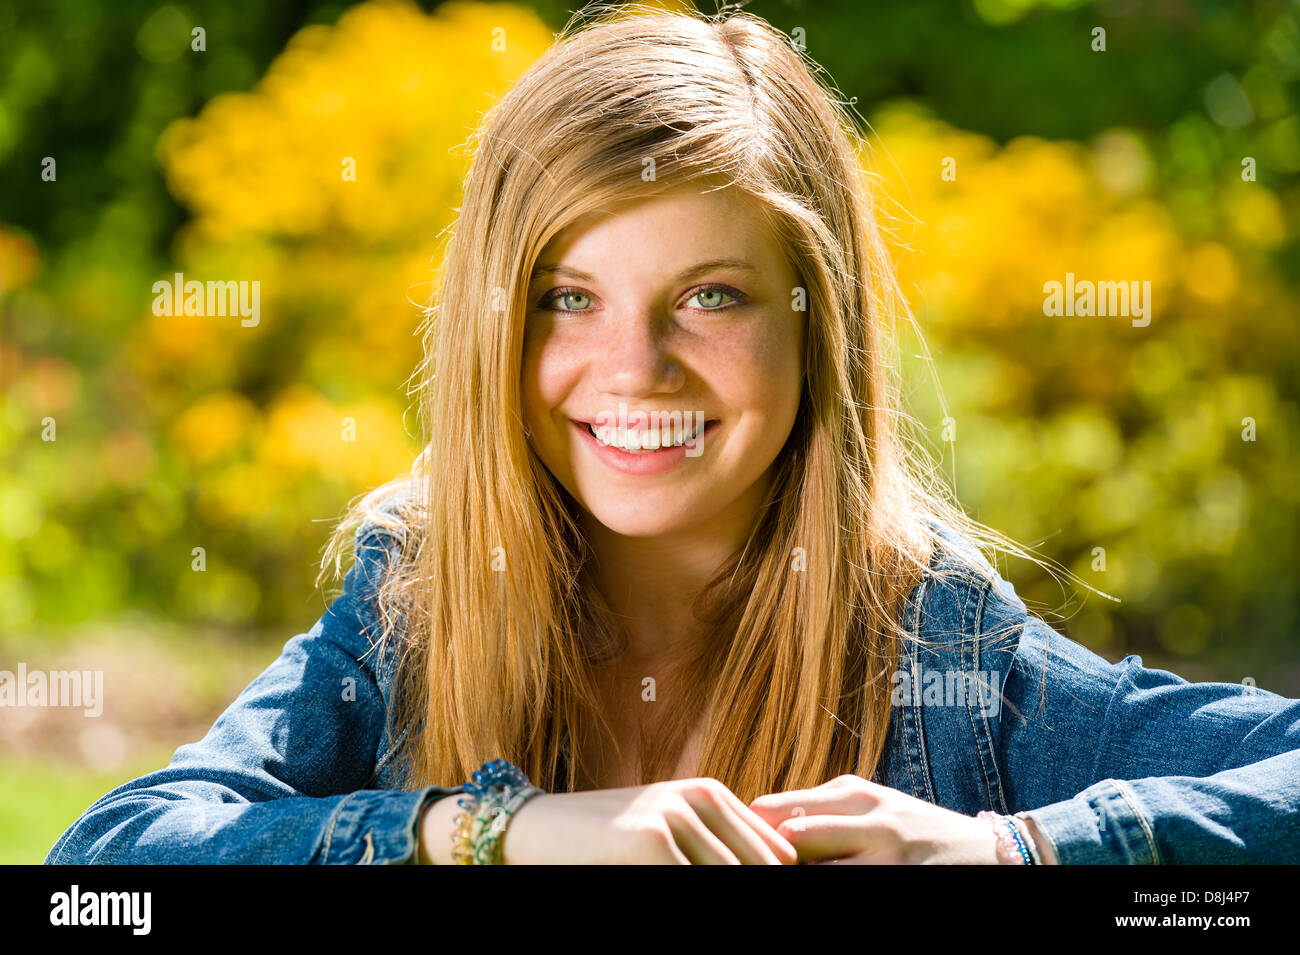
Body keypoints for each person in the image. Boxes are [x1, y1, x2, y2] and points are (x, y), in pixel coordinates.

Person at [46, 4, 1300, 865]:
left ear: (817, 328)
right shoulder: (413, 609)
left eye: (711, 296)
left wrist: (1008, 844)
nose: (632, 367)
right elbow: (109, 864)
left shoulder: (943, 659)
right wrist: (492, 832)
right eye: (568, 298)